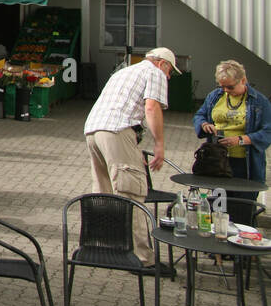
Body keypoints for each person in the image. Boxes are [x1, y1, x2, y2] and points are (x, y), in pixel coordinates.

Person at [83, 46, 175, 266]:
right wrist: (160, 145)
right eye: (170, 71)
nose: (169, 76)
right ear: (162, 63)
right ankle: (141, 259)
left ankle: (103, 249)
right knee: (131, 193)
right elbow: (151, 108)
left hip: (93, 131)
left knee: (103, 192)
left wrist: (133, 147)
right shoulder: (155, 73)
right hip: (116, 131)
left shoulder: (125, 71)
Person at [193, 59, 270, 200]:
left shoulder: (260, 101)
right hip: (217, 160)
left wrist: (241, 140)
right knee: (219, 206)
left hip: (244, 163)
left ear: (243, 80)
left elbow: (268, 131)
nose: (226, 91)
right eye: (222, 87)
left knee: (242, 205)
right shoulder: (215, 96)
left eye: (230, 87)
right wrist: (204, 124)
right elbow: (200, 115)